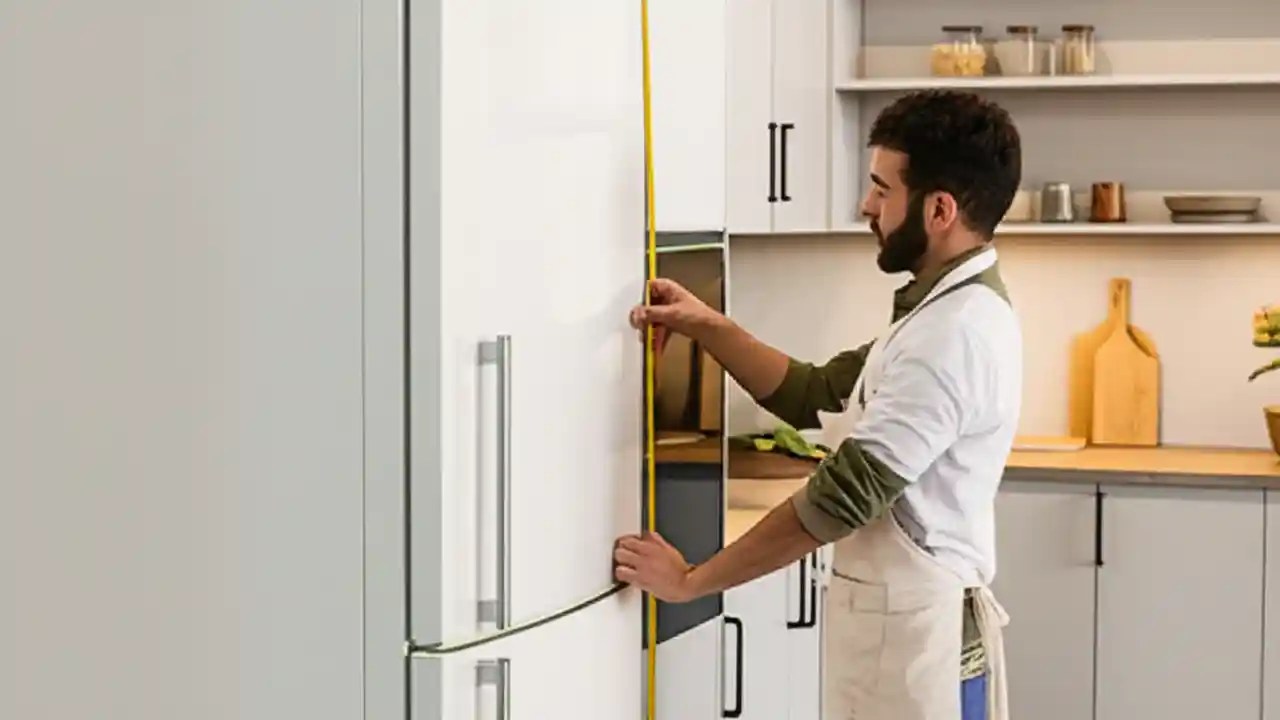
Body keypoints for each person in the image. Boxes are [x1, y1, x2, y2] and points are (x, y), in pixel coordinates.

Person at [614, 89, 1024, 720]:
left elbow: (843, 497)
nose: (867, 206)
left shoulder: (956, 334)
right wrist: (704, 323)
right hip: (902, 637)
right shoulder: (938, 309)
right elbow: (815, 393)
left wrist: (692, 582)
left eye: (882, 189)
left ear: (939, 209)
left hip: (924, 653)